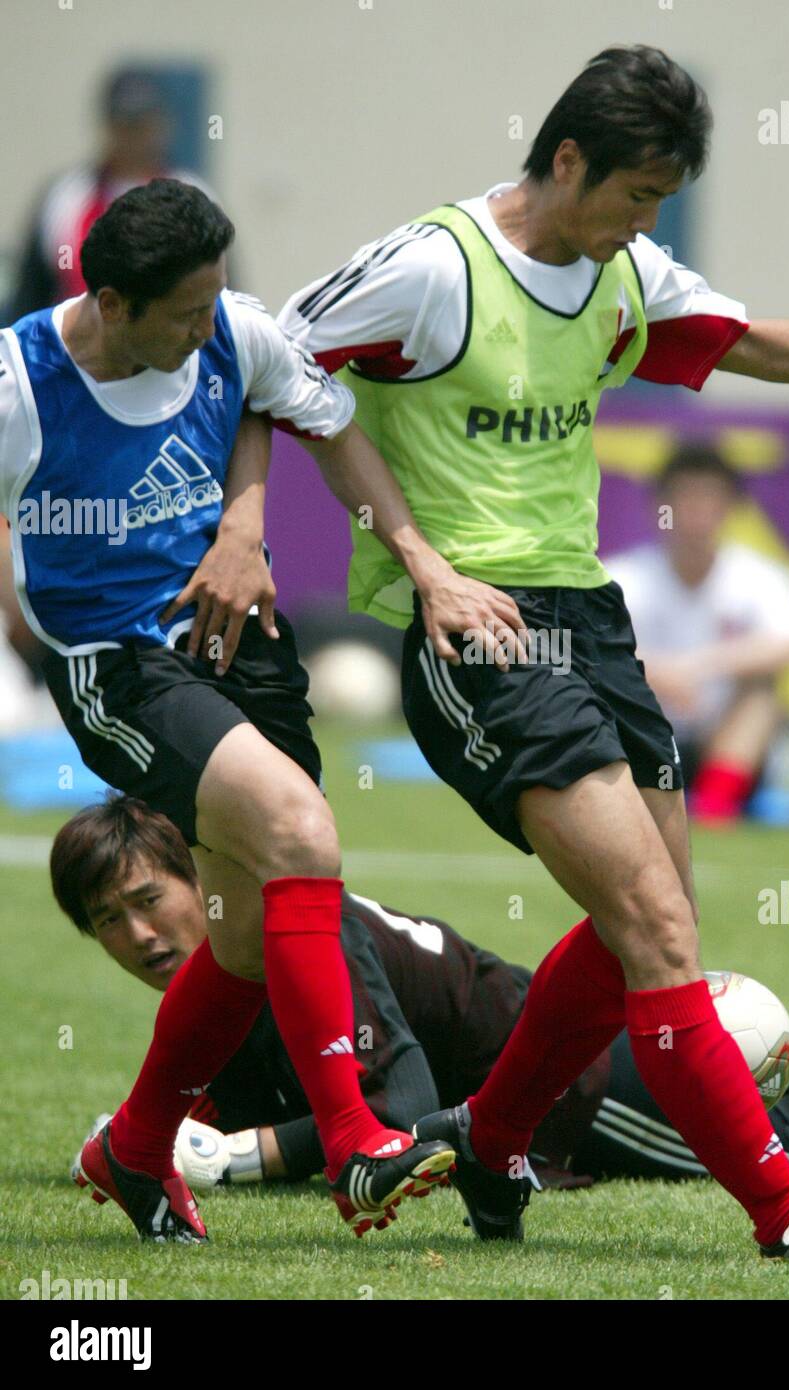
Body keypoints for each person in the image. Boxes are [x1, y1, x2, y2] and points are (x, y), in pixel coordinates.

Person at [276, 45, 789, 1265]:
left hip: (588, 617)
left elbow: (753, 342)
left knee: (650, 918)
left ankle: (495, 1135)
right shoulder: (432, 267)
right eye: (636, 194)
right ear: (565, 159)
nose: (646, 223)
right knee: (664, 938)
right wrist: (417, 561)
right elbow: (278, 362)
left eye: (661, 200)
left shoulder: (621, 270)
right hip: (481, 633)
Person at [0, 177, 526, 1242]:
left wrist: (424, 567)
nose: (211, 326)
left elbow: (326, 430)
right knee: (300, 833)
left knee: (241, 943)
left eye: (216, 301)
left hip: (248, 656)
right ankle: (355, 1144)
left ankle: (134, 1148)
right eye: (186, 311)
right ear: (110, 302)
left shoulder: (232, 333)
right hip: (119, 668)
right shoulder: (20, 379)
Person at [55, 795, 789, 1197]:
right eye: (109, 919)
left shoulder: (304, 940)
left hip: (569, 1083)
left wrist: (239, 1154)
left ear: (201, 874)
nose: (139, 933)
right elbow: (279, 1084)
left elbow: (393, 1121)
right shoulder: (232, 967)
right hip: (516, 1067)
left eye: (150, 899)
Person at [607, 442, 789, 824]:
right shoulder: (622, 576)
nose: (697, 512)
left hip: (720, 737)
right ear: (659, 506)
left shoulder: (759, 576)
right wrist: (655, 672)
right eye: (684, 498)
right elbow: (586, 647)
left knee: (762, 692)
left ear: (731, 506)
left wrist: (696, 668)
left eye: (709, 498)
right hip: (645, 734)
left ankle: (715, 806)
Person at [3, 68, 220, 323]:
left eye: (143, 123)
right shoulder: (65, 197)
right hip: (77, 352)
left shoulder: (194, 195)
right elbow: (32, 292)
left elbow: (222, 293)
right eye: (125, 124)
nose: (135, 135)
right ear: (107, 125)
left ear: (163, 124)